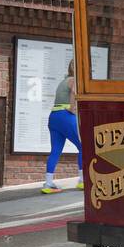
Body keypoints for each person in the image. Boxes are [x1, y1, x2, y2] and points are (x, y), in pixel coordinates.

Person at [42, 61, 82, 194]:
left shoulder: (63, 81)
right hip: (66, 116)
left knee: (55, 151)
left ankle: (48, 183)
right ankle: (82, 181)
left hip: (54, 116)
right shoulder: (73, 80)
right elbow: (74, 93)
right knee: (84, 147)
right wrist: (72, 109)